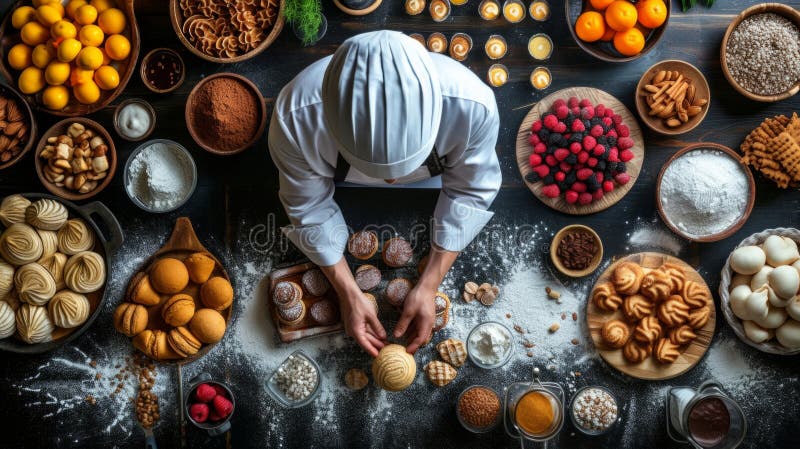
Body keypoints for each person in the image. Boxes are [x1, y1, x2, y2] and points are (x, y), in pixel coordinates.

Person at [268, 30, 501, 357]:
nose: (392, 183)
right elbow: (307, 205)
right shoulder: (296, 118)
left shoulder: (471, 107)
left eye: (406, 166)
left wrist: (430, 282)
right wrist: (349, 293)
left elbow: (469, 192)